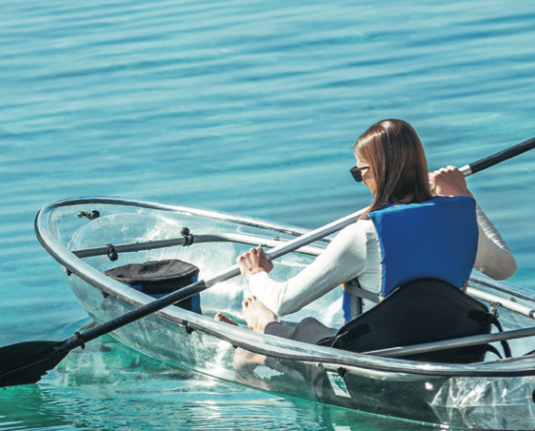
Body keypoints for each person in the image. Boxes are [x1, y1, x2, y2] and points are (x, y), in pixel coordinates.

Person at [217, 118, 516, 347]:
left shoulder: (364, 235)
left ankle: (261, 335)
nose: (360, 178)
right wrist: (464, 199)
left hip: (382, 355)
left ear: (374, 171)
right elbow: (505, 269)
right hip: (453, 348)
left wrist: (256, 274)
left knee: (307, 326)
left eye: (359, 171)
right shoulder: (460, 221)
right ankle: (263, 334)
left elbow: (284, 301)